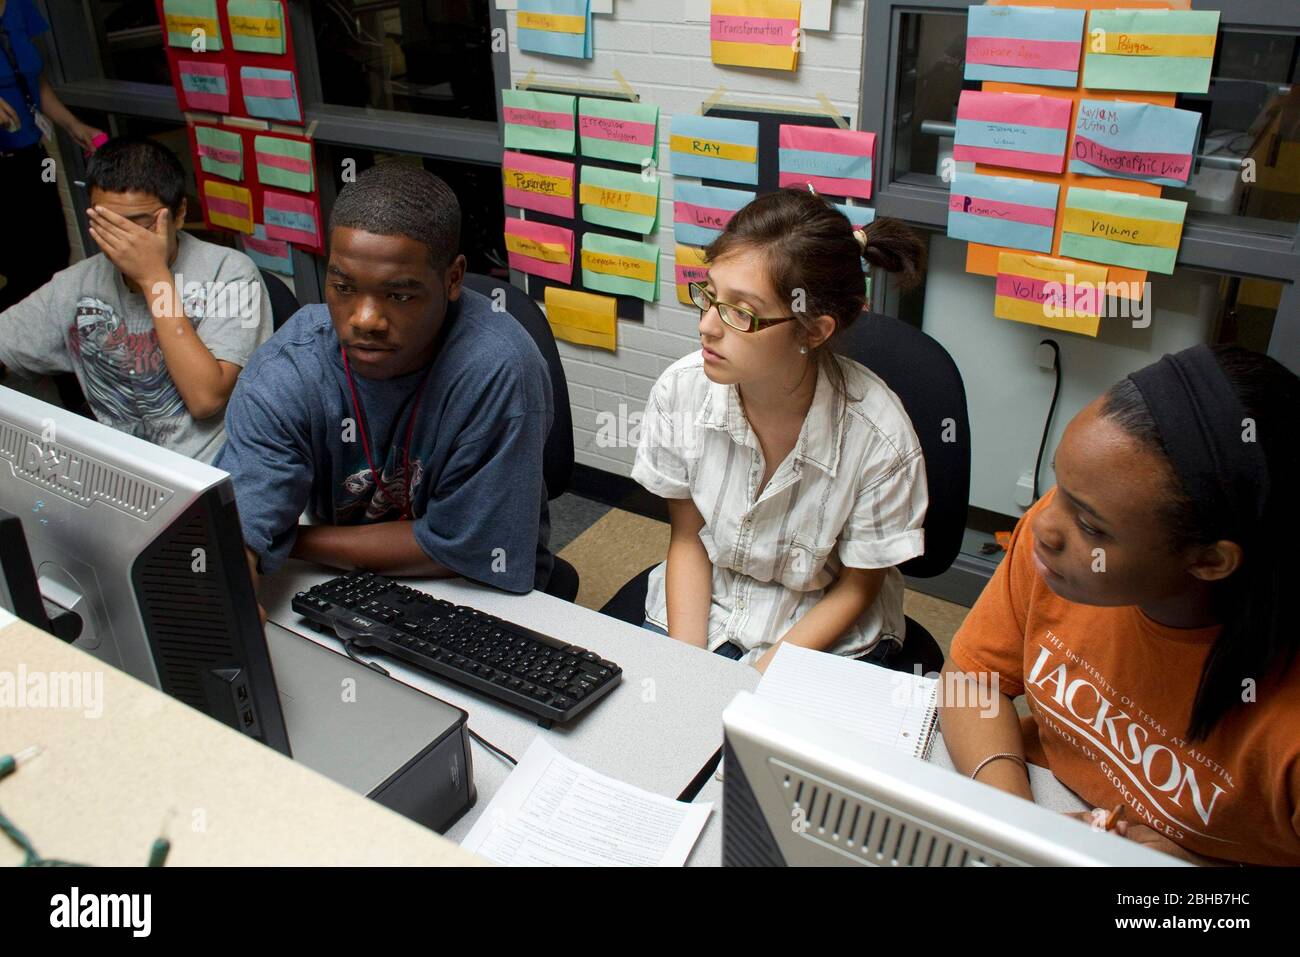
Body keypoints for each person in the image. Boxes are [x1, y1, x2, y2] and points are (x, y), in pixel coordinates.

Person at [940, 344, 1300, 866]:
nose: (1042, 525)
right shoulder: (1058, 545)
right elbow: (972, 678)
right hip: (1039, 798)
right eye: (1060, 482)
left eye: (1091, 526)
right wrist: (1014, 826)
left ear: (1211, 560)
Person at [215, 162, 554, 595]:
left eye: (398, 295)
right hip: (336, 576)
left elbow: (466, 548)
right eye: (343, 288)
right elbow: (240, 525)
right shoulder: (291, 365)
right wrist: (237, 568)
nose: (365, 320)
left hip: (473, 585)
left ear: (452, 279)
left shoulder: (498, 367)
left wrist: (287, 539)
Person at [631, 189, 929, 671]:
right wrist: (687, 668)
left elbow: (858, 586)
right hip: (708, 605)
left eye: (740, 312)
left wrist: (759, 677)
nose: (707, 326)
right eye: (708, 295)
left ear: (813, 331)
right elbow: (688, 537)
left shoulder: (880, 438)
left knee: (760, 746)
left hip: (824, 630)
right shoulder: (680, 391)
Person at [0, 135, 272, 462]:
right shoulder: (74, 285)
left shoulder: (229, 273)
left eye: (138, 226)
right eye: (106, 224)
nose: (122, 242)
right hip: (121, 475)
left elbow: (205, 400)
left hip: (214, 471)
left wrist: (153, 277)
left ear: (180, 213)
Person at [0, 0, 103, 314]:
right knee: (14, 268)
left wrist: (73, 124)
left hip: (30, 154)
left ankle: (37, 353)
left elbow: (34, 80)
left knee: (52, 258)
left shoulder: (18, 7)